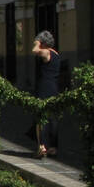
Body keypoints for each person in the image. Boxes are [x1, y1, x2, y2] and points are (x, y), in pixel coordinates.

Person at [31, 30, 63, 158]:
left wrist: (36, 42)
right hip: (54, 87)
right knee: (53, 118)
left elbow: (34, 51)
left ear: (43, 43)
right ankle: (53, 148)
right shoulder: (56, 54)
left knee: (41, 116)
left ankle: (42, 146)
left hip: (45, 87)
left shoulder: (46, 52)